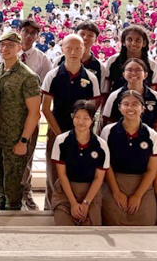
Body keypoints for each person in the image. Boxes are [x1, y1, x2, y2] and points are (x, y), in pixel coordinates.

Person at [41, 34, 101, 210]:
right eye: (69, 48)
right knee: (53, 171)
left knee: (78, 168)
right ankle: (51, 207)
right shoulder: (52, 75)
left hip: (81, 133)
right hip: (56, 130)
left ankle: (76, 206)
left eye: (78, 48)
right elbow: (45, 108)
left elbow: (93, 107)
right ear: (62, 49)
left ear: (84, 49)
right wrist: (60, 135)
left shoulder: (91, 78)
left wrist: (82, 129)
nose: (74, 52)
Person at [0, 31, 41, 211]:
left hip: (16, 137)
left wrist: (23, 141)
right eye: (2, 45)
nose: (5, 48)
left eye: (11, 45)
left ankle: (13, 216)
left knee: (13, 184)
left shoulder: (28, 76)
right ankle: (2, 206)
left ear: (19, 48)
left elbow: (34, 113)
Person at [100, 89, 157, 226]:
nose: (130, 108)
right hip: (115, 182)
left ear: (142, 108)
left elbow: (152, 170)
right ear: (119, 107)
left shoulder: (152, 136)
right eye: (126, 104)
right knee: (113, 221)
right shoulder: (108, 131)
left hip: (142, 185)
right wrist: (116, 192)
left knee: (146, 221)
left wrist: (138, 195)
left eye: (135, 104)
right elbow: (106, 164)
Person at [50, 100, 109, 226]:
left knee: (92, 227)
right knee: (64, 227)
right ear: (72, 117)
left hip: (90, 193)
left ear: (93, 120)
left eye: (86, 118)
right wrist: (73, 203)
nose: (80, 122)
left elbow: (99, 178)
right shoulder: (61, 141)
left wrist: (85, 203)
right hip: (66, 193)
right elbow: (62, 175)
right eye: (77, 117)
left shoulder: (101, 145)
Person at [101, 59, 157, 132]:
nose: (133, 73)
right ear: (124, 74)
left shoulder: (155, 96)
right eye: (129, 70)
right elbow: (108, 122)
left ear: (145, 75)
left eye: (138, 70)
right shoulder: (114, 96)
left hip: (146, 140)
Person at [104, 25, 157, 94]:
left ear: (144, 43)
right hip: (116, 102)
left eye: (138, 40)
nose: (133, 44)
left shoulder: (153, 65)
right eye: (129, 40)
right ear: (123, 42)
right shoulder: (112, 61)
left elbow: (153, 92)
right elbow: (106, 90)